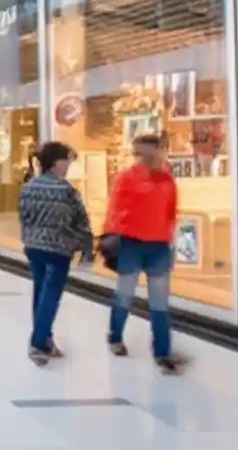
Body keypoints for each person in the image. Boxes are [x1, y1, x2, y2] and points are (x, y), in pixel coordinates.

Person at [104, 134, 189, 374]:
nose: (147, 158)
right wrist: (111, 237)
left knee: (159, 302)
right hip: (131, 244)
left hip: (159, 246)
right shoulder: (127, 178)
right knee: (125, 294)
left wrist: (170, 240)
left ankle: (162, 351)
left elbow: (171, 212)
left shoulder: (167, 180)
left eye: (152, 152)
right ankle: (115, 337)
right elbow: (115, 211)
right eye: (141, 154)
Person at [18, 142, 93, 366]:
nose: (69, 165)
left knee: (40, 291)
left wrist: (30, 237)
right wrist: (86, 247)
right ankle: (38, 342)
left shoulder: (29, 187)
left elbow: (24, 216)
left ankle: (46, 339)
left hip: (34, 247)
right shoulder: (66, 190)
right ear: (55, 162)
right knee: (51, 295)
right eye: (67, 160)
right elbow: (81, 221)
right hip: (58, 249)